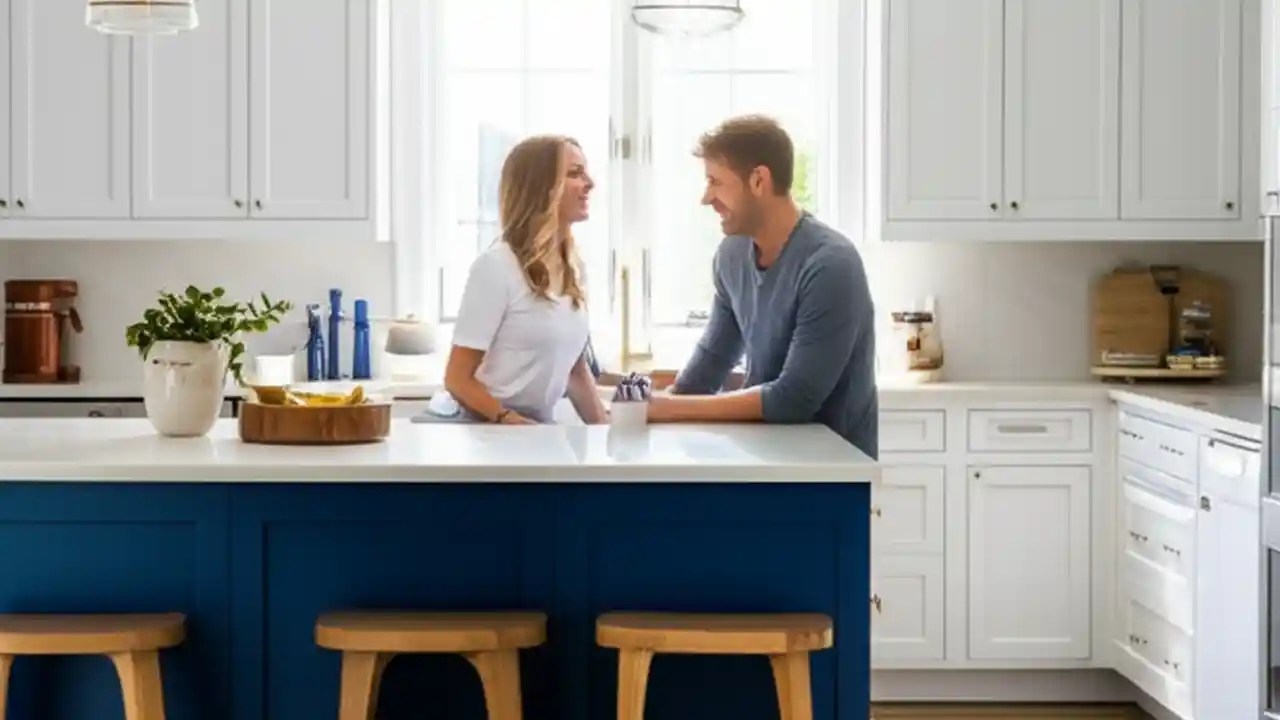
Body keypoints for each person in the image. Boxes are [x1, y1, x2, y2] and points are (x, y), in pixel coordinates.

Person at [646, 115, 879, 458]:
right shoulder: (731, 254)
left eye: (715, 182)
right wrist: (658, 405)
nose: (706, 198)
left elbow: (794, 399)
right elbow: (714, 357)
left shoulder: (831, 265)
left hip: (834, 473)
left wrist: (671, 410)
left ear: (758, 180)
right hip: (767, 459)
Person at [438, 134, 609, 425]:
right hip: (483, 430)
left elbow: (575, 371)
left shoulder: (574, 269)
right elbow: (457, 378)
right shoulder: (496, 267)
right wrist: (508, 419)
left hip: (535, 430)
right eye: (575, 173)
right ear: (542, 189)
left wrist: (607, 435)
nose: (590, 183)